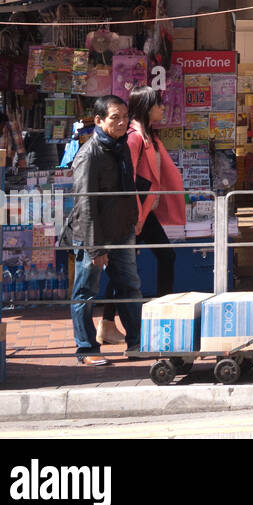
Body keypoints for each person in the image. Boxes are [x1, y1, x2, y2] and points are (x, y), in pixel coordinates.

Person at [96, 88, 182, 346]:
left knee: (129, 266)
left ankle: (108, 323)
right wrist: (135, 217)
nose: (164, 108)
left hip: (145, 212)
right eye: (159, 104)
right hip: (136, 214)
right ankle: (161, 316)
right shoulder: (134, 138)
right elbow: (129, 179)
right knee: (134, 265)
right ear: (147, 106)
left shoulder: (149, 136)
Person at [64, 95, 142, 365]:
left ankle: (137, 343)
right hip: (92, 235)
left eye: (124, 117)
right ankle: (85, 349)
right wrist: (96, 248)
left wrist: (133, 221)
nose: (122, 123)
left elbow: (128, 188)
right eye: (114, 118)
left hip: (121, 230)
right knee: (86, 292)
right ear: (98, 120)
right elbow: (85, 204)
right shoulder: (89, 155)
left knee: (130, 287)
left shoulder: (120, 147)